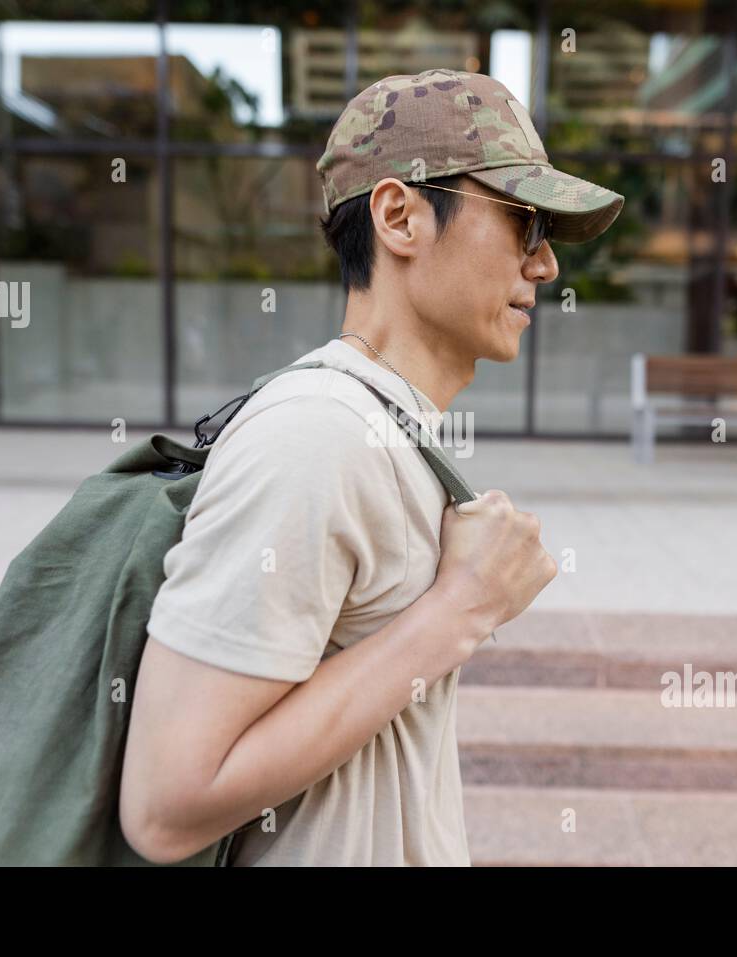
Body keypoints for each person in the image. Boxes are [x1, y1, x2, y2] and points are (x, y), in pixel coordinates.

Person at [119, 68, 625, 866]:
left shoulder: (382, 425)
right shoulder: (316, 440)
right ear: (399, 216)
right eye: (526, 222)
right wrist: (463, 606)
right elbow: (167, 803)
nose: (546, 265)